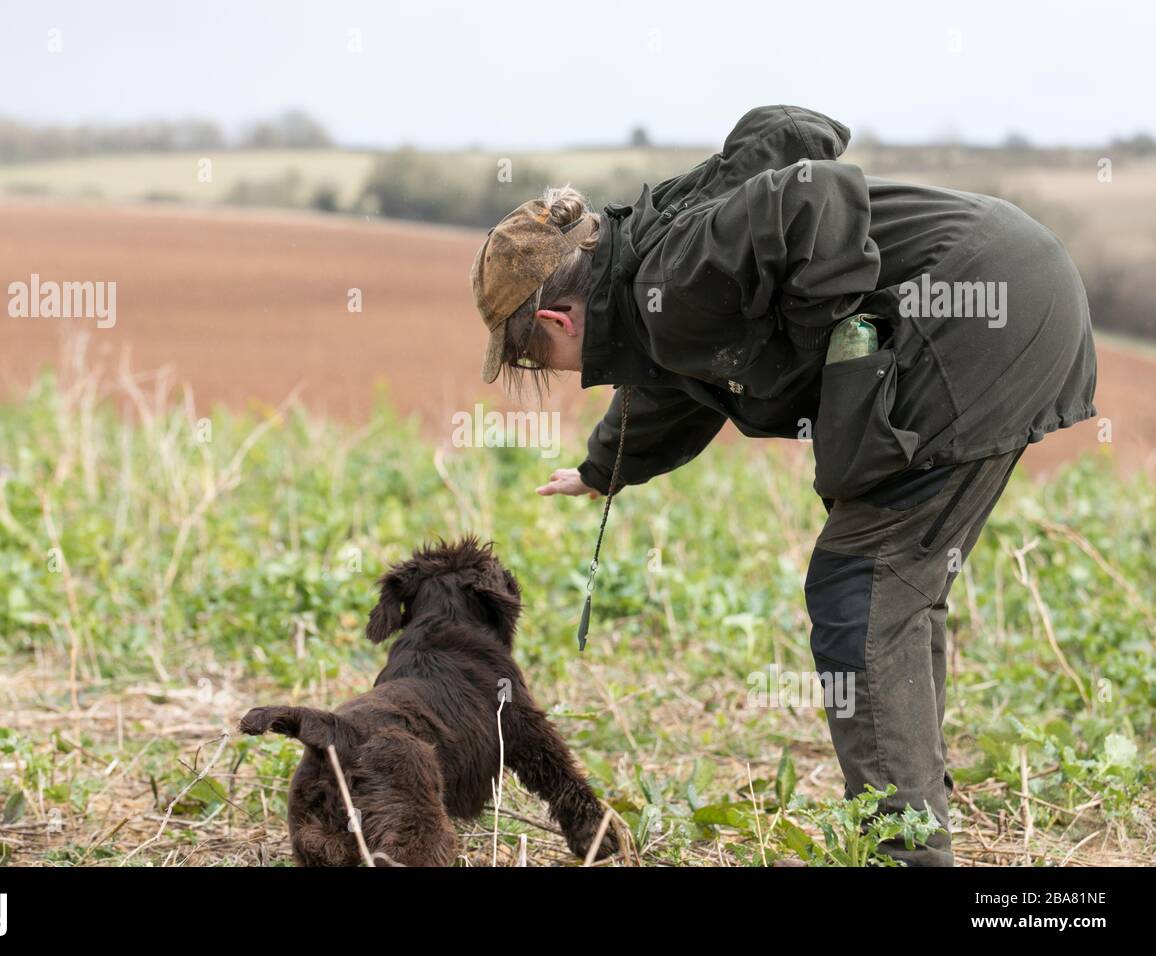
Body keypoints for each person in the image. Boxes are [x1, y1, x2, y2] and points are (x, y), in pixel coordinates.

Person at [468, 105, 1097, 866]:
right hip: (1007, 277)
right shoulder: (648, 286)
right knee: (893, 582)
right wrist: (605, 469)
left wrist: (828, 334)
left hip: (977, 307)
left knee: (860, 589)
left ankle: (909, 850)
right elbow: (677, 375)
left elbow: (815, 193)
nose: (546, 375)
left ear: (558, 319)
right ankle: (915, 805)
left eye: (531, 358)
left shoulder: (672, 271)